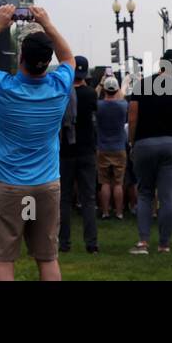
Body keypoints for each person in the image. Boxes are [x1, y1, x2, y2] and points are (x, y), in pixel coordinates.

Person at [0, 4, 74, 281]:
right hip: (47, 184)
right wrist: (47, 23)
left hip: (10, 185)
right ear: (46, 60)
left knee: (4, 260)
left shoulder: (3, 88)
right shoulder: (60, 86)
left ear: (21, 57)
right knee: (48, 258)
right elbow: (69, 58)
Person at [127, 50, 172, 255]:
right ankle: (164, 244)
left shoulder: (142, 85)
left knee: (145, 193)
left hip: (144, 143)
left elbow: (133, 117)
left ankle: (143, 242)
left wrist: (132, 143)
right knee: (167, 196)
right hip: (170, 144)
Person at [57, 56, 99, 254]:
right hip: (87, 151)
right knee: (88, 198)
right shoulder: (91, 94)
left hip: (65, 151)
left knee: (64, 199)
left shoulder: (62, 94)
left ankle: (64, 243)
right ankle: (91, 243)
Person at [96, 75, 128, 219]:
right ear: (116, 90)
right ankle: (119, 212)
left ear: (104, 90)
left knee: (104, 182)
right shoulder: (122, 105)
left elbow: (94, 96)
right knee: (118, 183)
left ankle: (105, 212)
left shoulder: (99, 105)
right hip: (119, 147)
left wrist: (101, 83)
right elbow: (122, 95)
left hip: (102, 147)